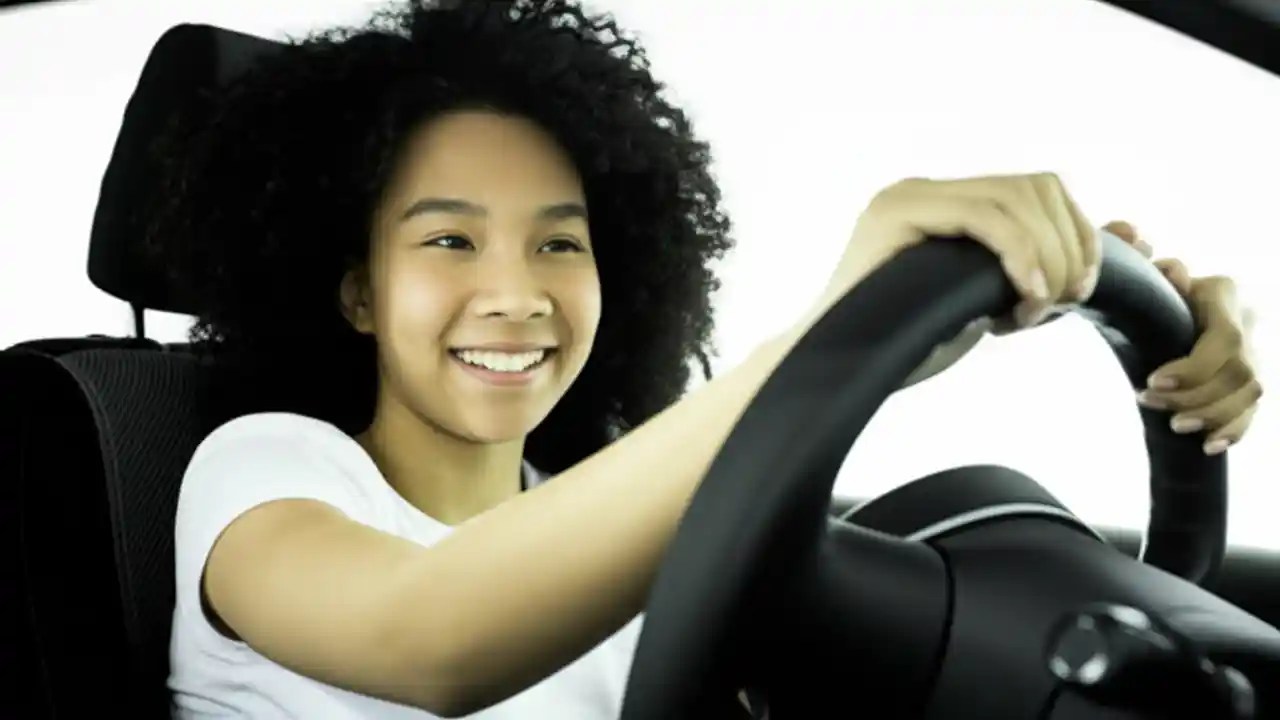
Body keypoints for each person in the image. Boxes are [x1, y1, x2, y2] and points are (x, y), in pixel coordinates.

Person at [145, 1, 1262, 718]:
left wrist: (1090, 298)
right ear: (353, 291)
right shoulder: (268, 466)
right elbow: (425, 634)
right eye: (447, 239)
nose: (516, 292)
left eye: (559, 242)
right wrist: (826, 329)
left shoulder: (609, 513)